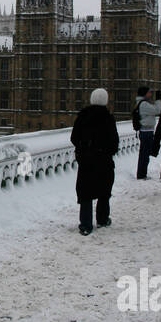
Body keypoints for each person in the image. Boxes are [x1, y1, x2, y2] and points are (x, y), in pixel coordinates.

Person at [70, 88, 119, 235]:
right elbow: (114, 142)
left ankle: (85, 225)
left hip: (86, 161)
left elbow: (74, 138)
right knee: (104, 190)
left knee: (85, 192)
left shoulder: (82, 116)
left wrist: (83, 149)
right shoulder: (108, 118)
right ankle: (102, 219)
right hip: (103, 160)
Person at [133, 86, 161, 180]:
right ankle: (141, 174)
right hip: (146, 132)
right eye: (149, 92)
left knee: (144, 153)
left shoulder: (143, 103)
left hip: (146, 131)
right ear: (145, 93)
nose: (151, 94)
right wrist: (158, 99)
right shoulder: (144, 104)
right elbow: (157, 110)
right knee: (145, 154)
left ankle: (142, 173)